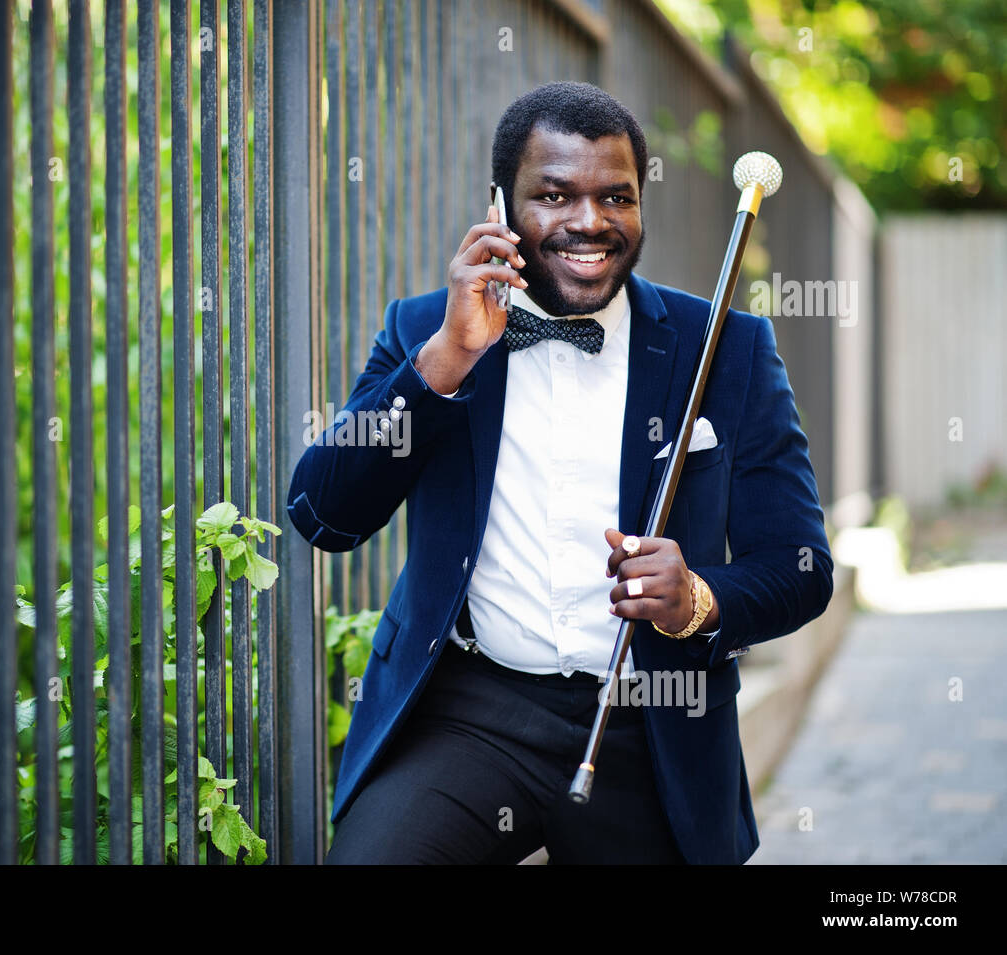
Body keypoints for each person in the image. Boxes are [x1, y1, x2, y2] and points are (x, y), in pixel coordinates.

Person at [286, 81, 833, 864]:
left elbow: (802, 567)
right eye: (553, 194)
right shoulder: (425, 330)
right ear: (501, 207)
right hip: (472, 712)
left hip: (651, 720)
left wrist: (697, 598)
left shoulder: (727, 346)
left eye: (617, 196)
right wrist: (446, 360)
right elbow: (322, 514)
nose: (589, 221)